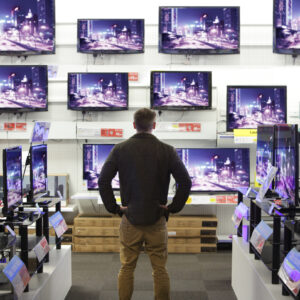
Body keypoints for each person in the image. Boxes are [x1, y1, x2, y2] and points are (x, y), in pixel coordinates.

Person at [98, 108, 191, 300]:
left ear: (134, 125)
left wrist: (114, 208)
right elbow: (186, 182)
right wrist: (173, 207)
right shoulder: (167, 150)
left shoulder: (120, 149)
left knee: (126, 268)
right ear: (154, 126)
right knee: (160, 269)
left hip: (130, 219)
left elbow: (103, 180)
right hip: (156, 218)